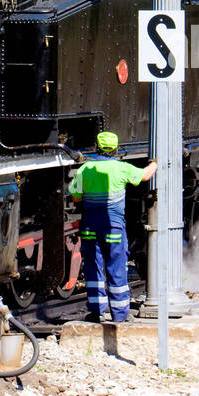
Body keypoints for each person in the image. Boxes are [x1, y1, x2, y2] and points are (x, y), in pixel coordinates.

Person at [68, 130, 157, 322]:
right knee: (116, 267)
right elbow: (145, 176)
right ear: (116, 149)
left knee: (93, 266)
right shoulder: (122, 168)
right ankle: (119, 314)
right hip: (113, 227)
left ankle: (96, 311)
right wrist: (155, 163)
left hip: (90, 227)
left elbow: (75, 197)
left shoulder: (86, 169)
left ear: (97, 148)